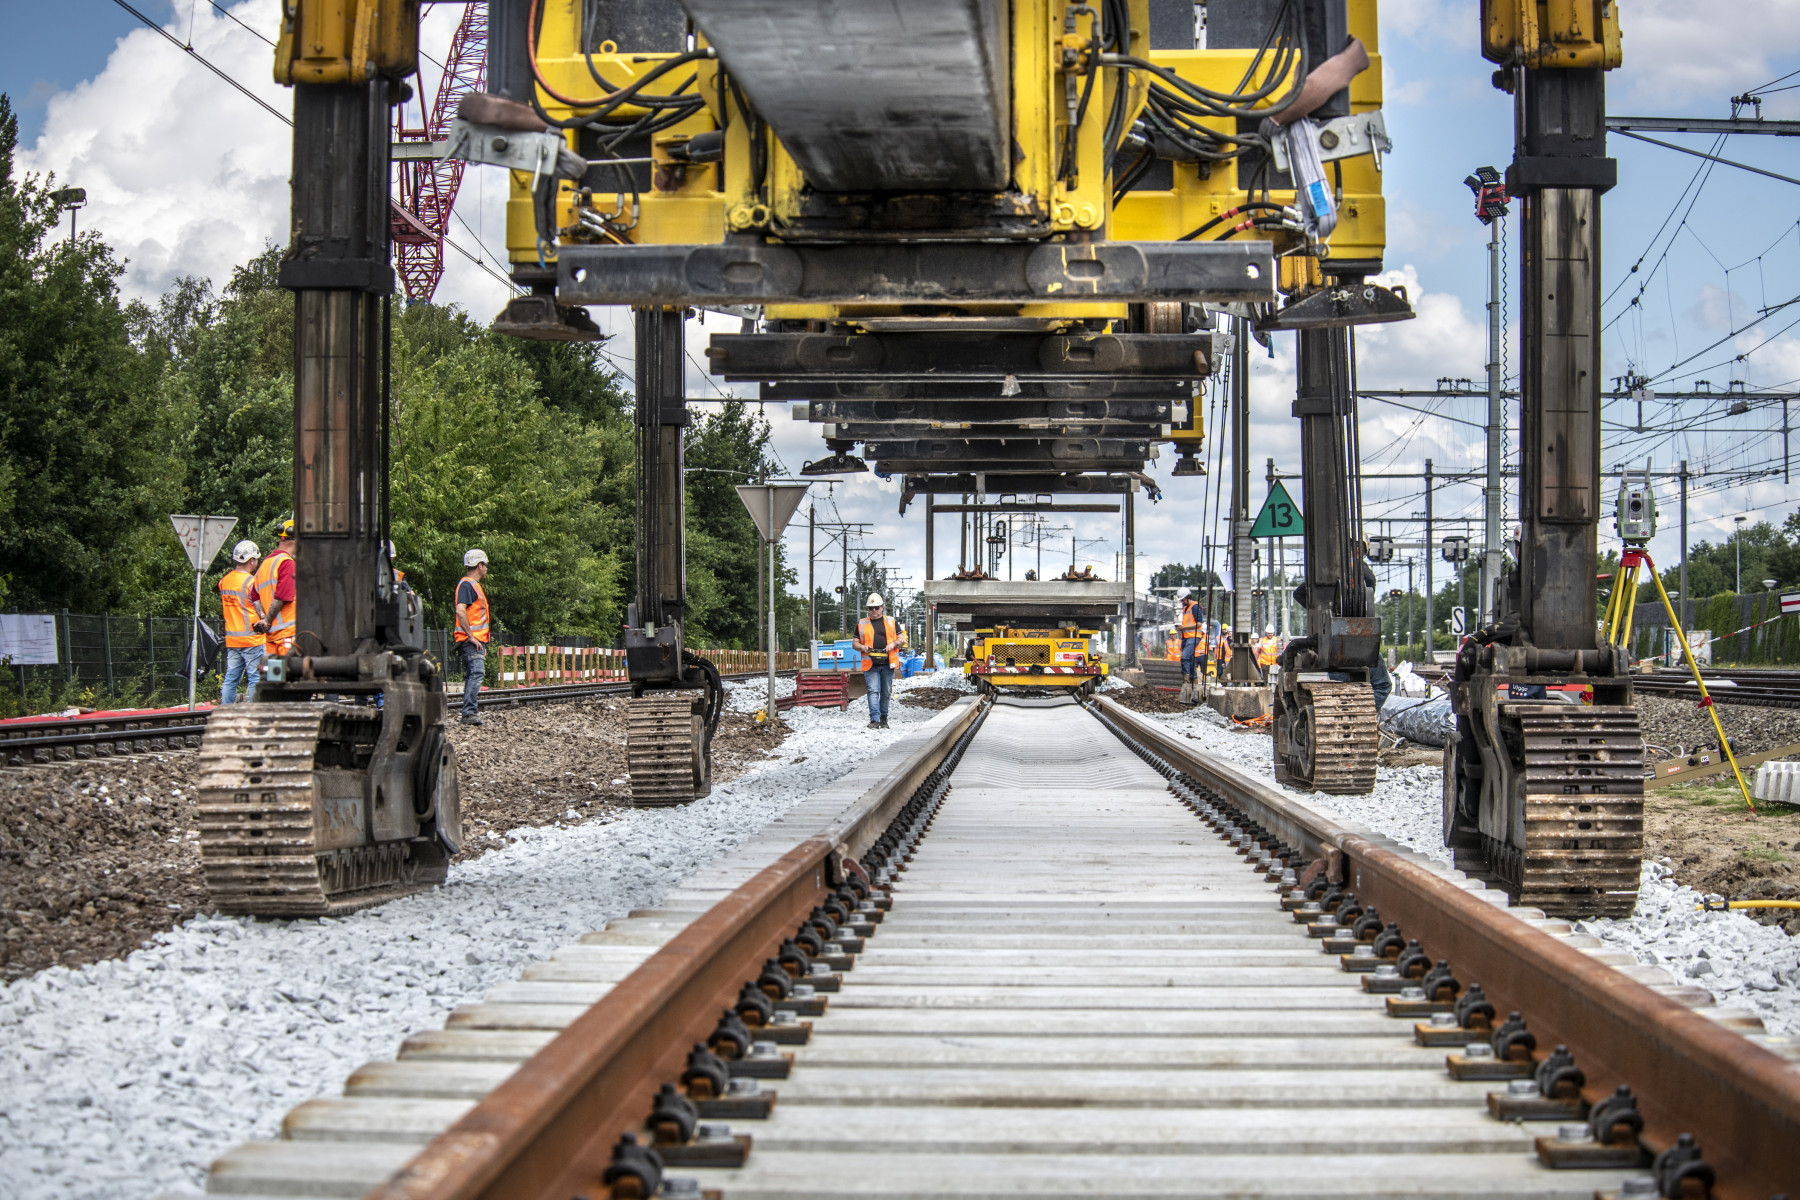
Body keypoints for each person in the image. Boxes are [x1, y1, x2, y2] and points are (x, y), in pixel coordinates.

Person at [219, 540, 265, 704]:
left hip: (232, 639)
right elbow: (261, 610)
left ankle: (226, 712)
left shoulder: (224, 581)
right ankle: (253, 712)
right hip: (252, 638)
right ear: (251, 560)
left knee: (230, 679)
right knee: (255, 679)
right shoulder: (252, 582)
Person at [853, 592, 906, 729]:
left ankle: (884, 718)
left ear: (882, 608)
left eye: (877, 607)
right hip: (870, 664)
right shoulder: (861, 624)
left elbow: (902, 640)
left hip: (887, 663)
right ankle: (874, 720)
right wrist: (863, 647)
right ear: (868, 609)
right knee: (873, 691)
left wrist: (893, 644)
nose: (874, 611)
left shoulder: (891, 622)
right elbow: (854, 643)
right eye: (871, 608)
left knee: (886, 692)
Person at [454, 549, 492, 725]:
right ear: (479, 566)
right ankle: (469, 712)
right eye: (485, 565)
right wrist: (471, 636)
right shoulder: (467, 585)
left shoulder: (471, 585)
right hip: (471, 641)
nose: (486, 568)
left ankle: (468, 712)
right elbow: (460, 610)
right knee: (477, 673)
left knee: (472, 674)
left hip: (476, 641)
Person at [254, 520, 297, 658]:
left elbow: (253, 596)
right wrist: (267, 620)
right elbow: (282, 596)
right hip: (287, 635)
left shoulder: (265, 564)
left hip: (271, 638)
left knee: (273, 677)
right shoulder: (287, 563)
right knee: (290, 675)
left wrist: (263, 618)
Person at [1176, 587, 1204, 702]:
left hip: (1193, 637)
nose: (1182, 602)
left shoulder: (1195, 607)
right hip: (1186, 637)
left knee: (1185, 657)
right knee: (1191, 660)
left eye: (1183, 600)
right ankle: (1195, 683)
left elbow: (1199, 624)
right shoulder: (1185, 609)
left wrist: (1184, 628)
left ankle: (1186, 680)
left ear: (1188, 598)